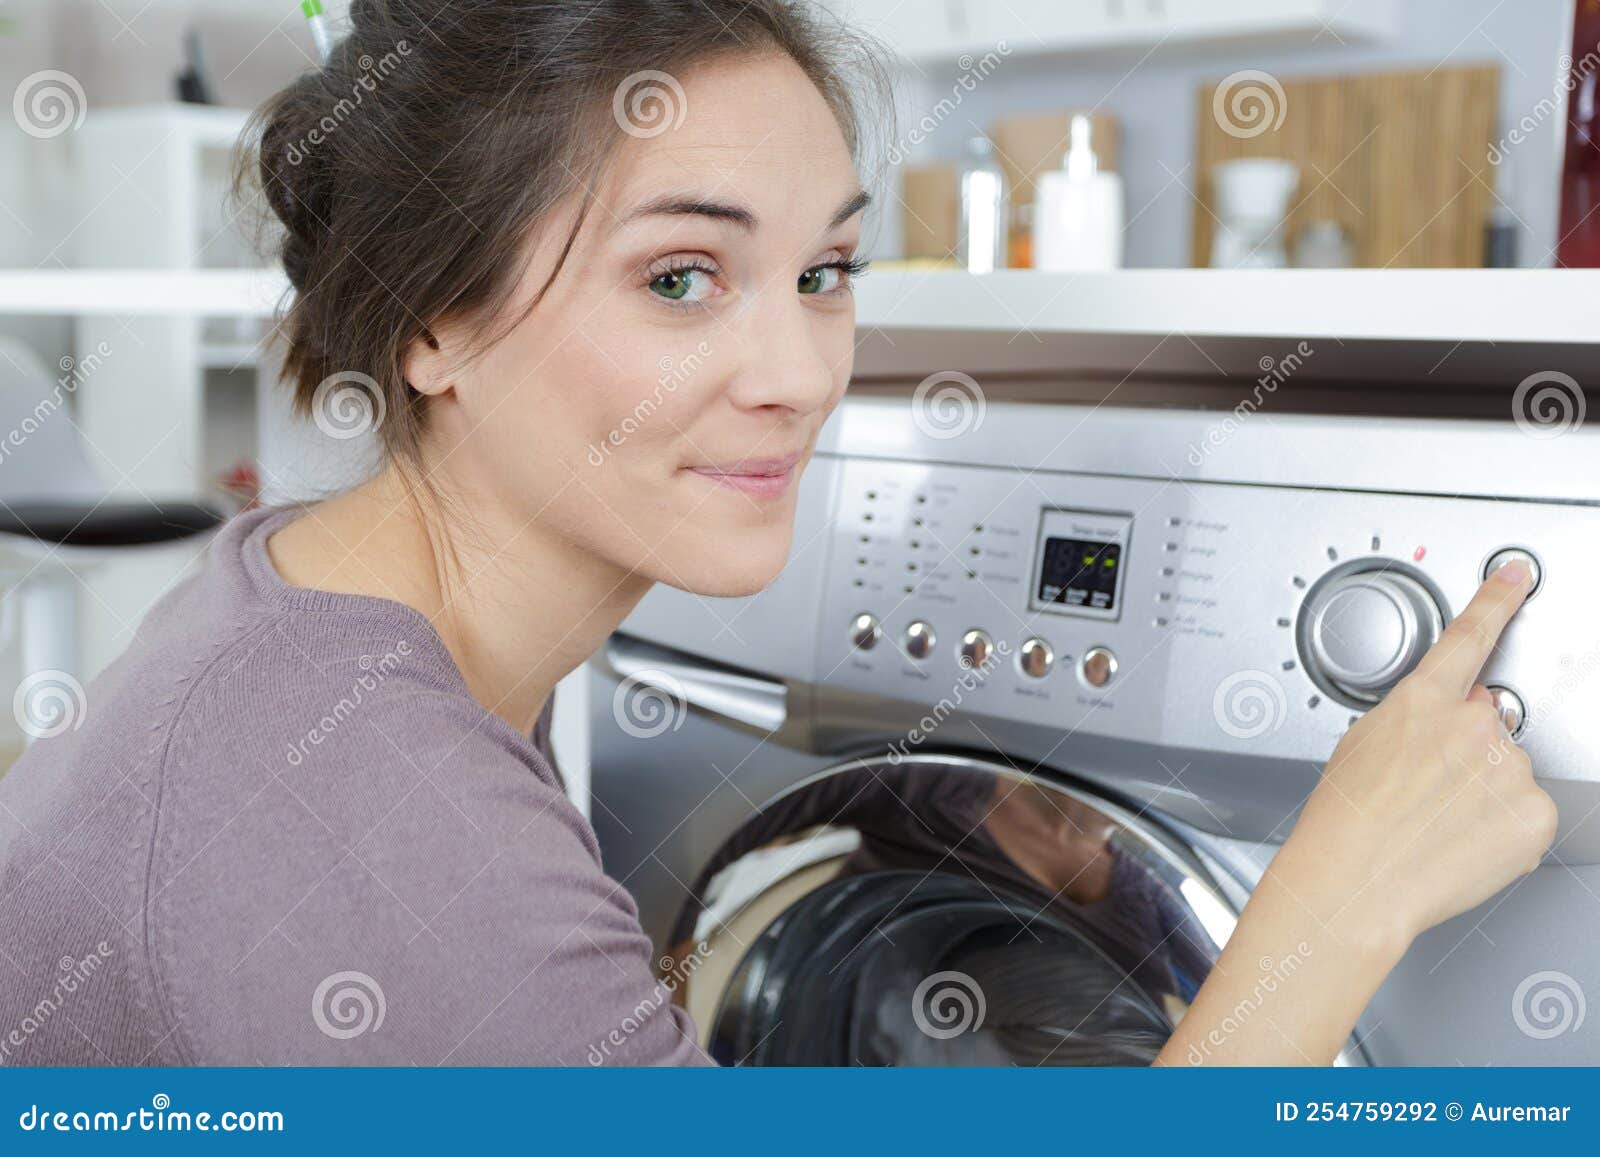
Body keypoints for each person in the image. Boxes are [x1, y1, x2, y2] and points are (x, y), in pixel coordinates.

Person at [0, 0, 1554, 1066]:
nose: (802, 372)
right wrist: (1335, 907)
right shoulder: (355, 783)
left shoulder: (318, 624)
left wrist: (954, 831)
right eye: (682, 277)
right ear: (433, 323)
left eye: (823, 271)